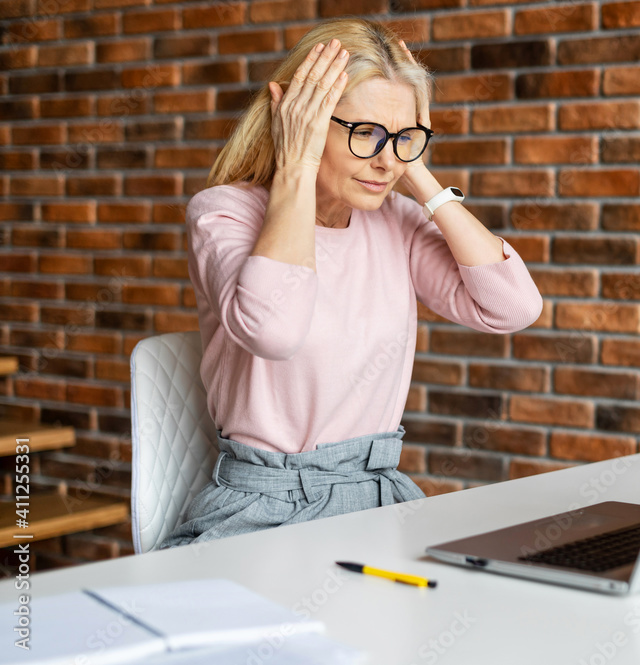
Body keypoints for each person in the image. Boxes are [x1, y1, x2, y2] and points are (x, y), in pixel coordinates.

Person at [158, 18, 543, 549]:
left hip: (377, 498)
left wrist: (418, 172)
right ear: (302, 120)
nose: (385, 161)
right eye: (365, 133)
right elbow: (274, 331)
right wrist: (295, 164)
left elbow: (513, 307)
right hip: (265, 508)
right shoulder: (223, 214)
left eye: (405, 137)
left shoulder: (398, 221)